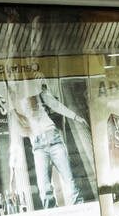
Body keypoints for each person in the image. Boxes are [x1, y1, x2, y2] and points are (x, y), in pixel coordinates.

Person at [8, 71, 87, 208]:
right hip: (38, 146)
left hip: (52, 137)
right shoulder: (13, 109)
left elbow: (55, 104)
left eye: (15, 78)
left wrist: (75, 117)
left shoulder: (35, 92)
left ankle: (80, 213)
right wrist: (12, 175)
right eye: (10, 79)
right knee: (44, 189)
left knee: (70, 182)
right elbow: (14, 143)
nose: (14, 81)